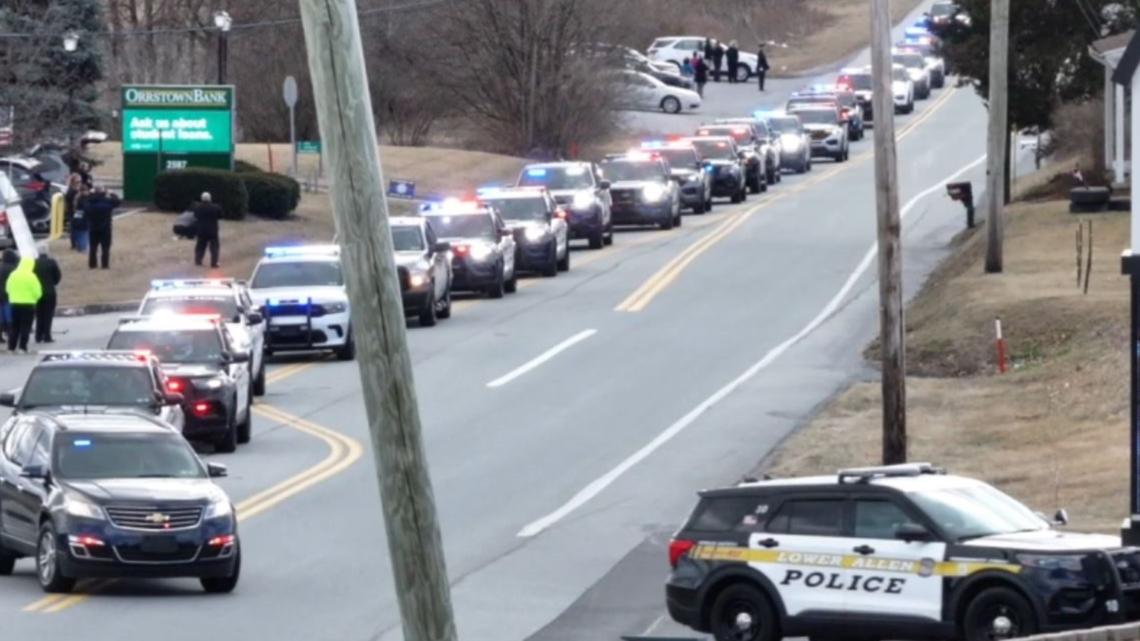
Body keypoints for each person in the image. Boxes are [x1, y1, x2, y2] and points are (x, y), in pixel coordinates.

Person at [6, 256, 41, 353]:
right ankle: (22, 347)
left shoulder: (13, 275)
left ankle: (11, 347)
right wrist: (34, 299)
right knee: (25, 326)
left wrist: (13, 296)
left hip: (14, 303)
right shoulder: (32, 276)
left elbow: (7, 288)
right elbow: (38, 291)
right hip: (28, 304)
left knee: (15, 326)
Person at [83, 185, 120, 269]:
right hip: (105, 226)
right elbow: (117, 202)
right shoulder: (107, 201)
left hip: (93, 226)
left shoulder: (90, 202)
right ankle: (105, 264)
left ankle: (92, 264)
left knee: (93, 247)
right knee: (105, 247)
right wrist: (112, 193)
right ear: (103, 192)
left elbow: (84, 205)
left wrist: (90, 194)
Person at [33, 250, 61, 344]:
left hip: (37, 293)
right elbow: (58, 276)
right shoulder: (52, 262)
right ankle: (47, 336)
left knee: (39, 314)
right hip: (49, 292)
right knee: (48, 315)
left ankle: (38, 336)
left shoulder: (34, 263)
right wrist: (53, 283)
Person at [192, 192, 223, 268]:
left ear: (201, 199)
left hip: (201, 230)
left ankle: (198, 261)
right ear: (210, 199)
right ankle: (214, 263)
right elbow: (220, 216)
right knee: (214, 247)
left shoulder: (197, 207)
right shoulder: (216, 207)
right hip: (212, 230)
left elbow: (195, 216)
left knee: (200, 246)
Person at [0, 249, 17, 343]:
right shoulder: (13, 269)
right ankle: (11, 335)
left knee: (1, 316)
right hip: (8, 294)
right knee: (9, 316)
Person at [71, 183, 90, 252]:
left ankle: (79, 245)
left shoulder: (77, 198)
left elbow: (75, 209)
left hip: (78, 215)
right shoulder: (84, 199)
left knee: (78, 231)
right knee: (83, 232)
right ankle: (82, 247)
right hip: (83, 217)